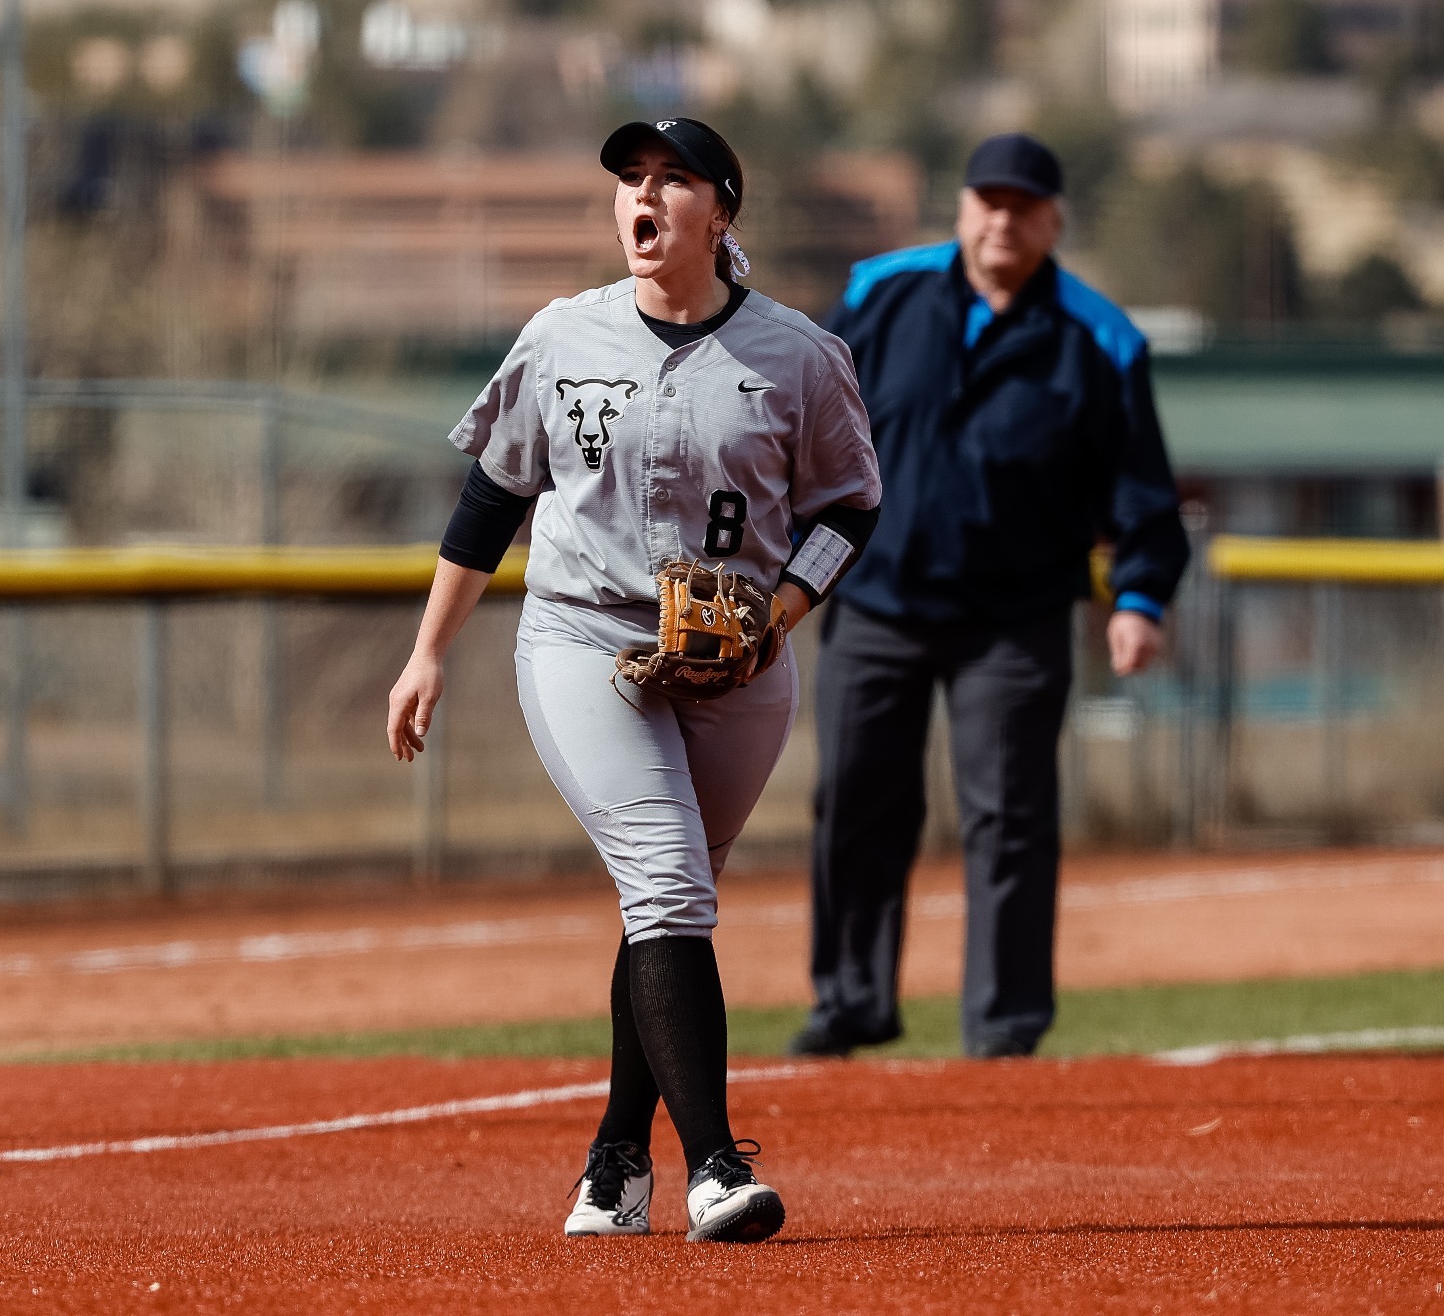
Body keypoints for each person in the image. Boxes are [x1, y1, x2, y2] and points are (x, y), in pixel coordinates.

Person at [385, 117, 882, 1242]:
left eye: (672, 180)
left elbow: (850, 503)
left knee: (669, 904)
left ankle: (614, 1165)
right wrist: (427, 650)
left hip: (737, 663)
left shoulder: (798, 356)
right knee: (665, 880)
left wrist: (783, 610)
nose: (642, 198)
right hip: (584, 642)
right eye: (629, 182)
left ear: (721, 213)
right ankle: (712, 1166)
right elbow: (491, 499)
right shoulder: (564, 337)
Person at [790, 132, 1189, 1061]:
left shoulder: (1100, 337)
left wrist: (1140, 597)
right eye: (987, 201)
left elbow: (1146, 493)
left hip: (1015, 619)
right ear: (962, 207)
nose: (1002, 220)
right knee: (855, 802)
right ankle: (849, 1001)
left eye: (1023, 206)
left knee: (1010, 817)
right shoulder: (876, 295)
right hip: (874, 598)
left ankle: (1004, 1026)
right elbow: (787, 412)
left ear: (1053, 221)